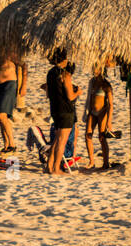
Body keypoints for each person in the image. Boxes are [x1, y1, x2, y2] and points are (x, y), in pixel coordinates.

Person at [45, 47, 80, 175]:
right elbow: (70, 96)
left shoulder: (50, 73)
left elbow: (48, 94)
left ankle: (49, 166)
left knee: (56, 139)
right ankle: (56, 168)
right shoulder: (65, 74)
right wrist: (78, 92)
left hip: (54, 109)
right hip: (66, 110)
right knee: (62, 140)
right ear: (64, 59)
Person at [84, 63, 114, 169]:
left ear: (101, 70)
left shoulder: (106, 85)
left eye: (96, 68)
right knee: (88, 136)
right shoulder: (92, 82)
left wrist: (109, 121)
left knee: (102, 137)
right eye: (93, 68)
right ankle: (92, 161)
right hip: (92, 112)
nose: (94, 70)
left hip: (102, 112)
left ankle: (106, 162)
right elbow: (89, 98)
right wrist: (87, 112)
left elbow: (110, 104)